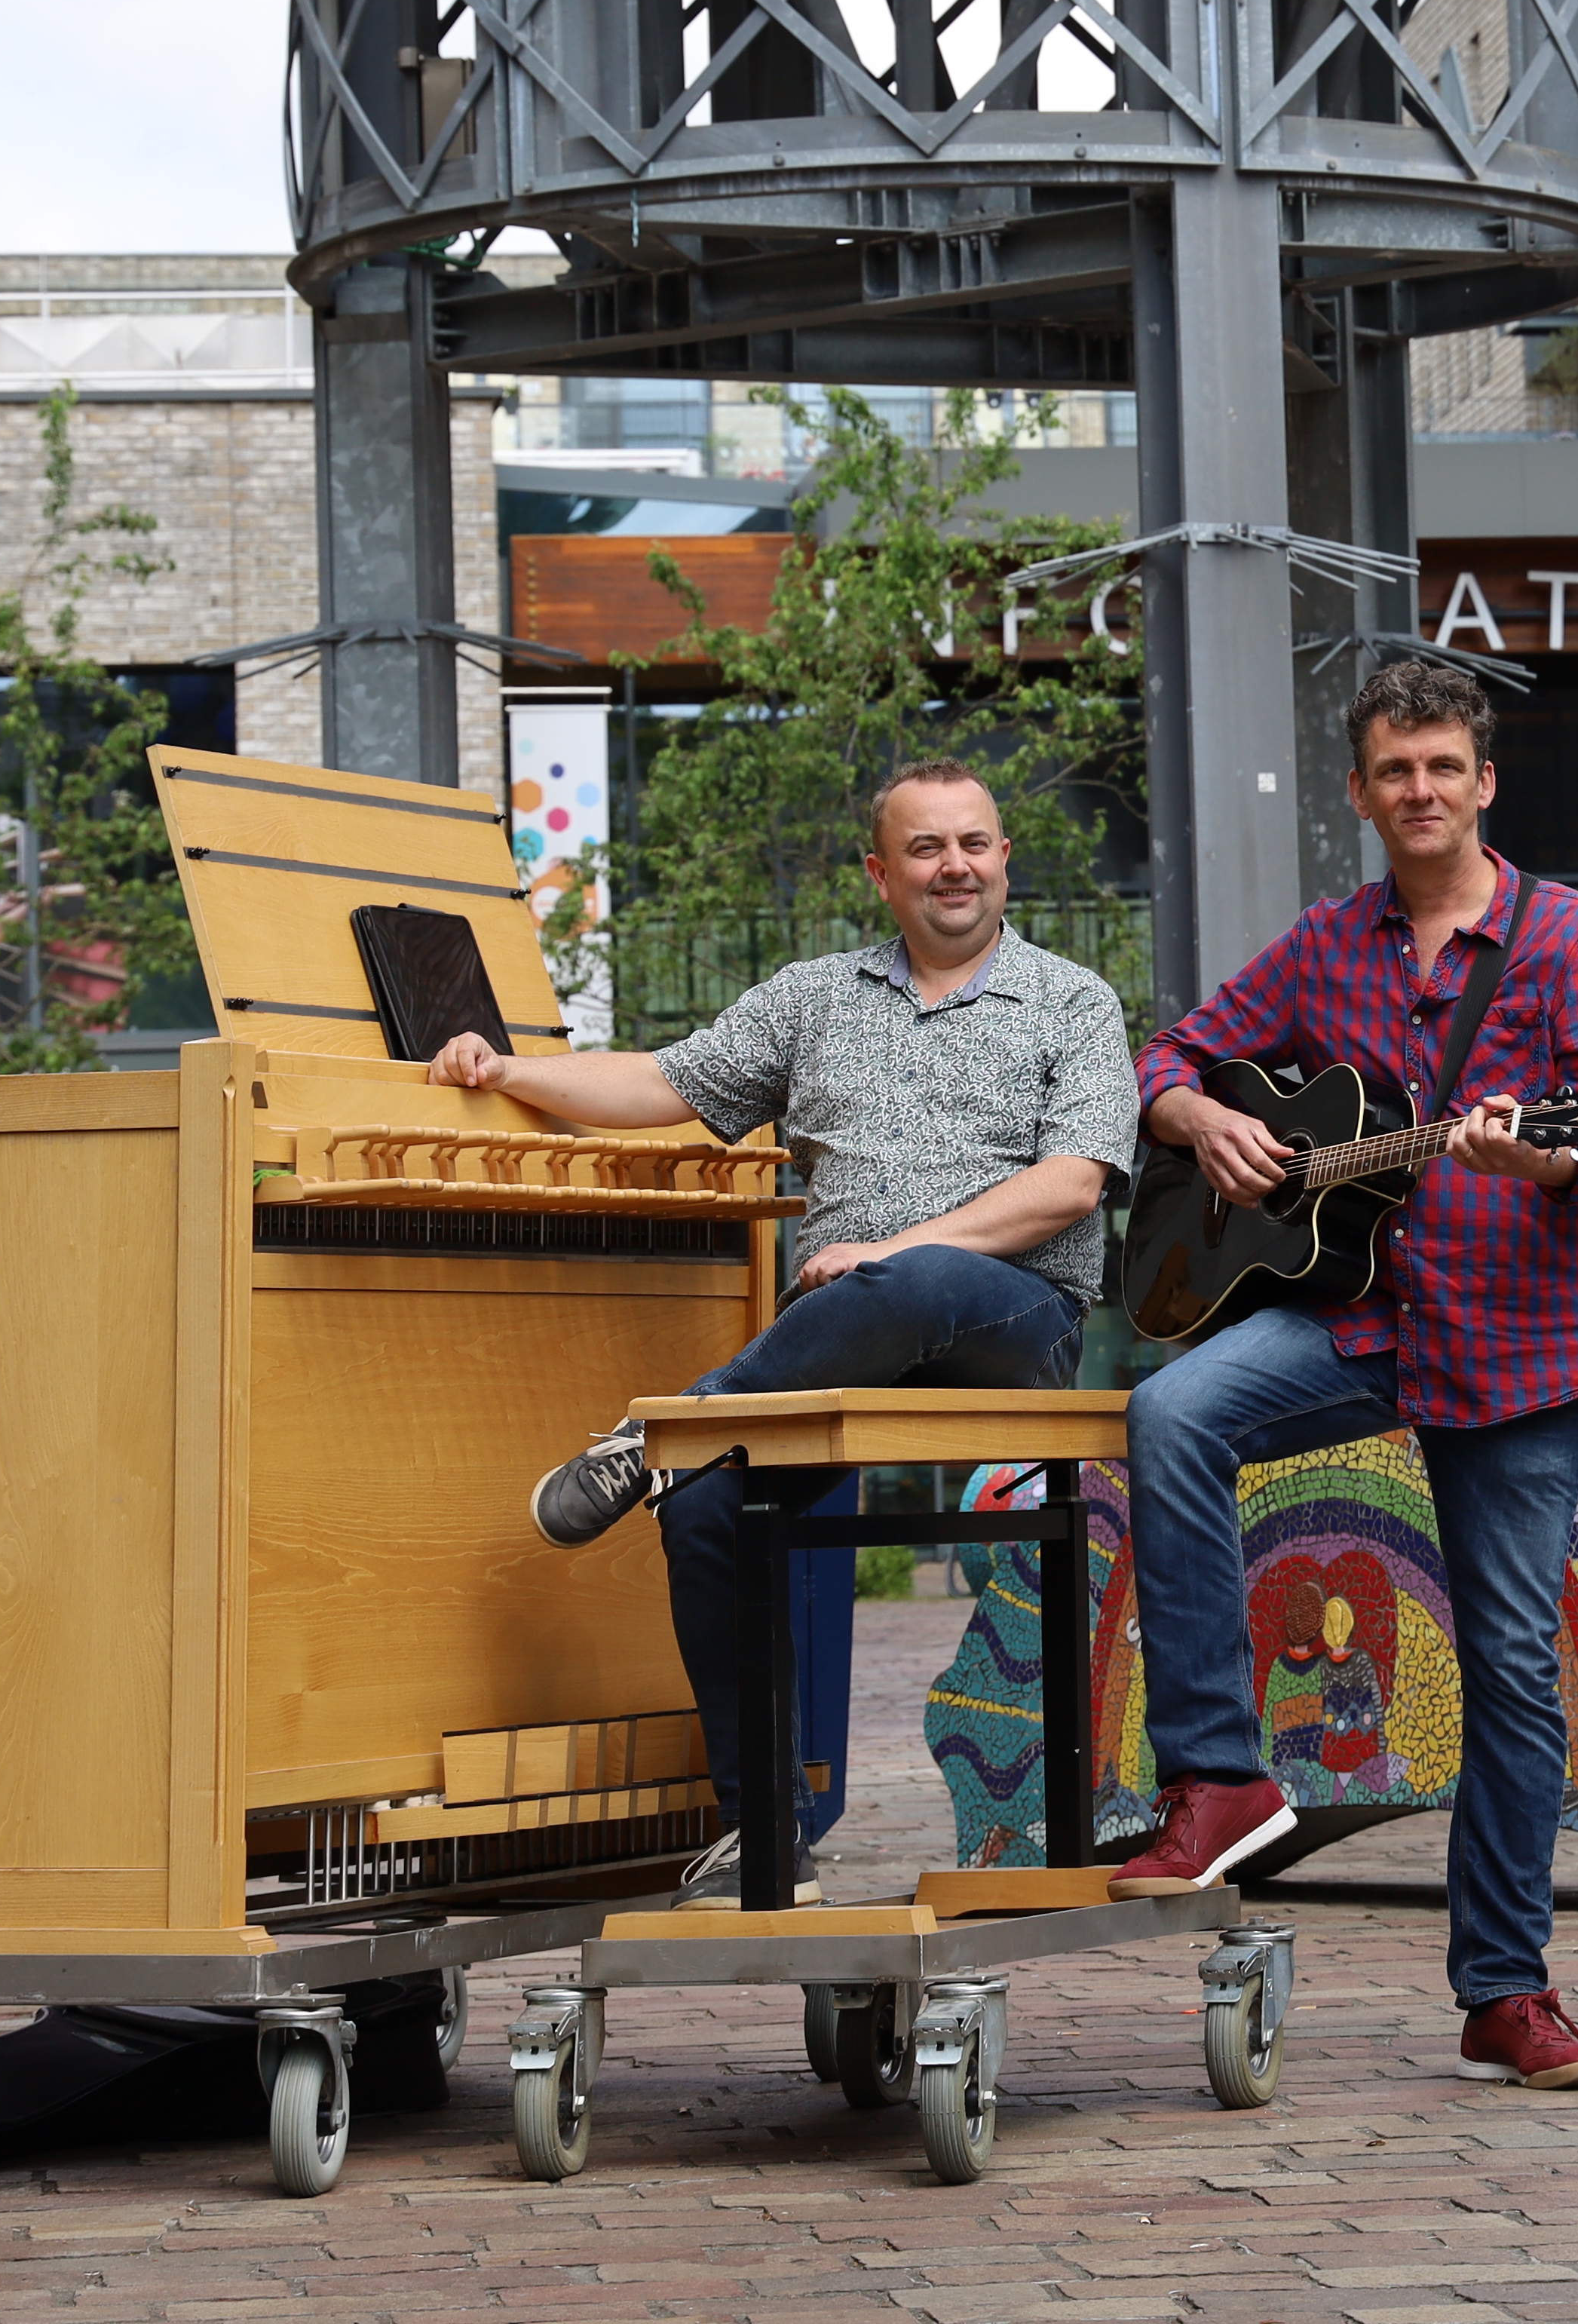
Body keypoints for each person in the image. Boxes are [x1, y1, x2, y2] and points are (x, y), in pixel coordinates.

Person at [435, 759, 1139, 1904]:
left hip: (1012, 1319)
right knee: (707, 1504)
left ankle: (663, 1430)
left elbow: (1071, 1185)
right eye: (925, 848)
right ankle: (764, 1832)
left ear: (1006, 859)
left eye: (974, 843)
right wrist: (509, 1067)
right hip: (843, 1335)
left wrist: (897, 1248)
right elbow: (663, 1083)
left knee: (913, 1279)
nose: (954, 866)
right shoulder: (813, 998)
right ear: (881, 873)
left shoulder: (1073, 1001)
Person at [1116, 655, 1578, 2093]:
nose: (1421, 790)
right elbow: (1167, 1053)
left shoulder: (1568, 937)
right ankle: (1220, 1775)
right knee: (1172, 1410)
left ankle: (1505, 1993)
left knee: (1513, 1671)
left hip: (1521, 1347)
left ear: (1484, 784)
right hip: (1359, 1320)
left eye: (1444, 767)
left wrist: (1542, 1158)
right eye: (1395, 770)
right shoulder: (1326, 944)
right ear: (1360, 793)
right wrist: (1198, 1120)